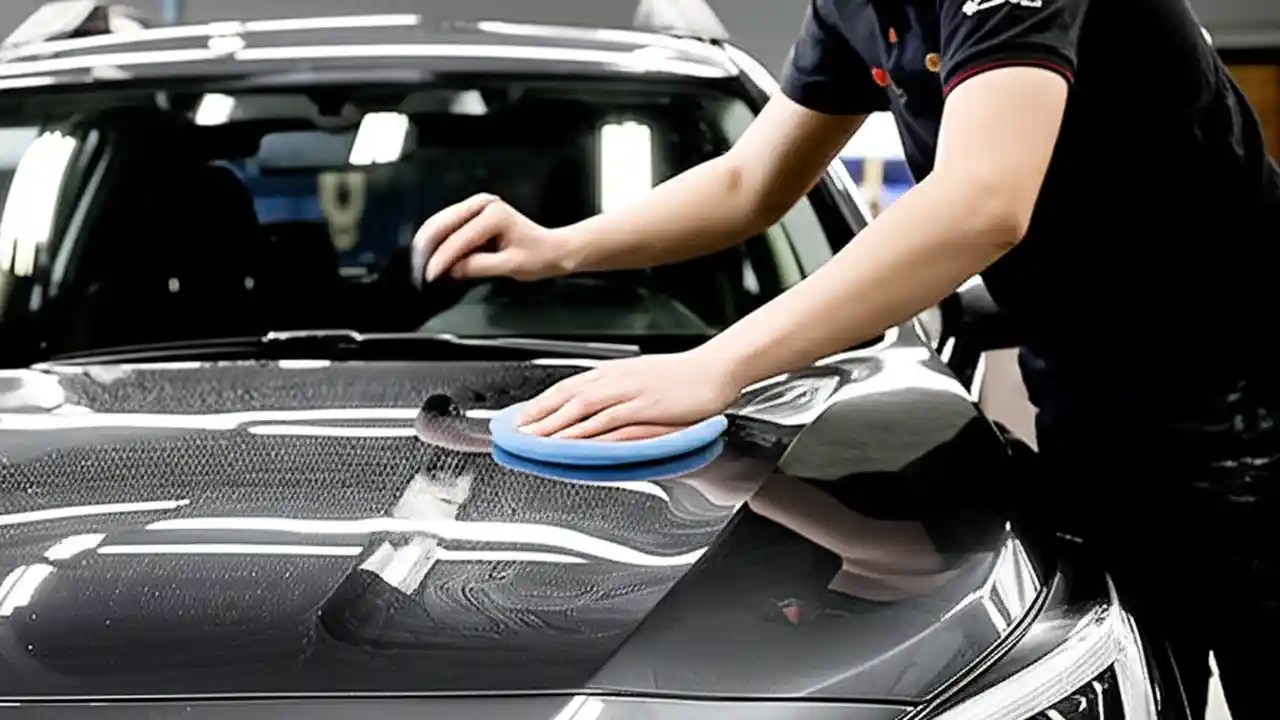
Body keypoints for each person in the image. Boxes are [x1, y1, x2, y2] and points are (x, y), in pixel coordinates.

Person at [412, 1, 1280, 716]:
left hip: (1255, 400)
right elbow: (749, 182)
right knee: (1163, 684)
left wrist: (714, 365)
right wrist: (558, 247)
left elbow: (983, 201)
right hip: (1091, 408)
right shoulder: (853, 8)